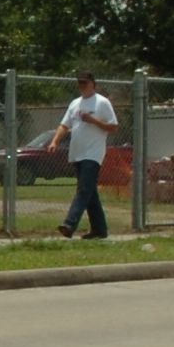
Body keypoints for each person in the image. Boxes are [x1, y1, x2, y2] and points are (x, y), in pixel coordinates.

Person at [48, 70, 119, 240]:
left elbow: (114, 127)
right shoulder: (75, 104)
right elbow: (64, 125)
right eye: (79, 83)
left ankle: (69, 224)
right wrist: (55, 141)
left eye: (85, 83)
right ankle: (100, 230)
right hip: (77, 153)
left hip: (93, 154)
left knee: (84, 190)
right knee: (89, 193)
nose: (82, 86)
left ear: (93, 84)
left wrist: (93, 120)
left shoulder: (102, 103)